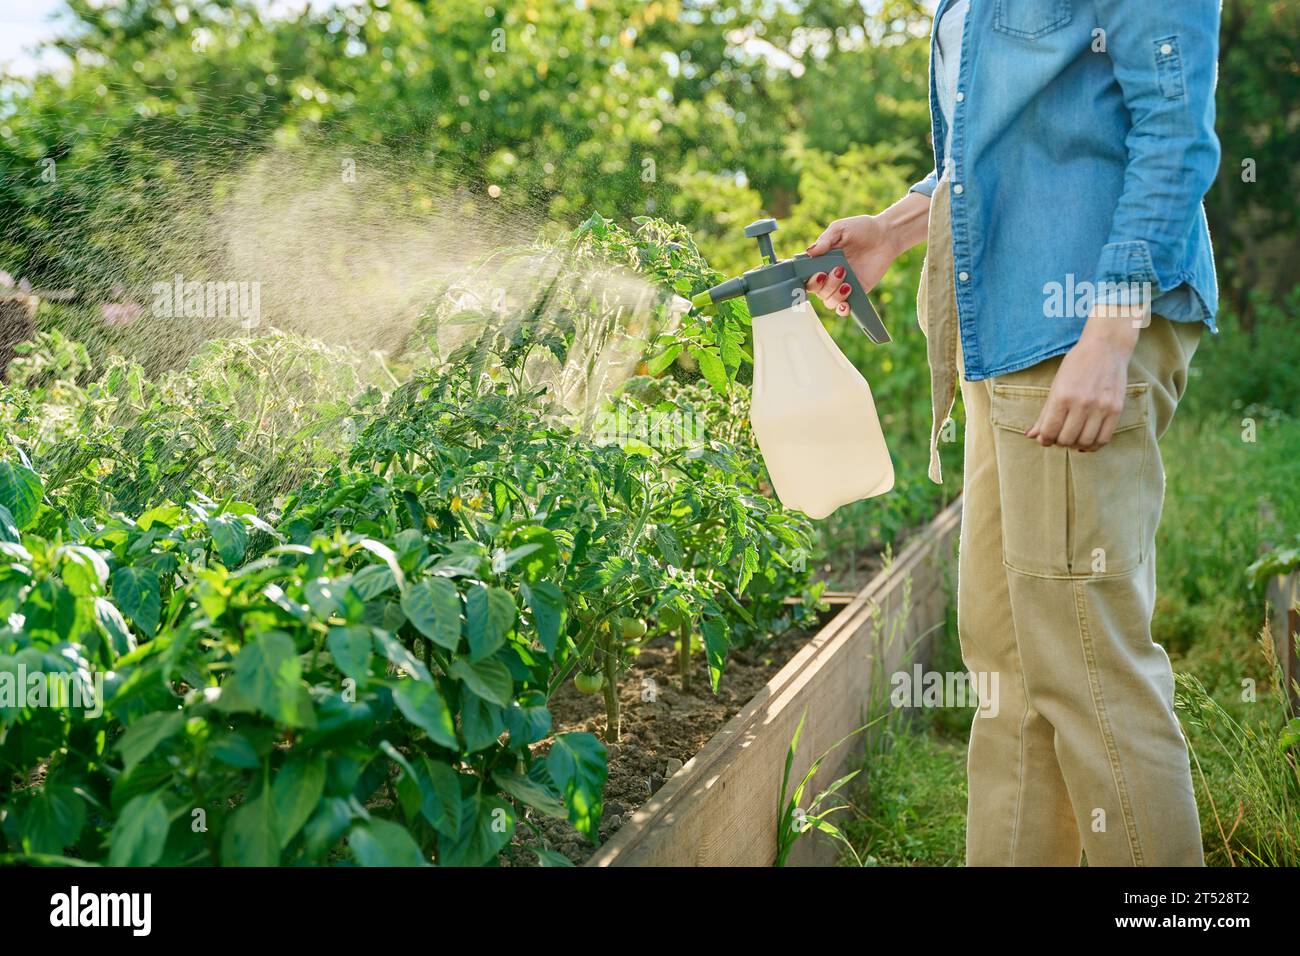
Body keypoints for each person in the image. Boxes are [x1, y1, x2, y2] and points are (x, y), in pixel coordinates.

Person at [804, 1, 1221, 866]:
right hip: (1006, 333)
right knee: (1007, 666)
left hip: (1077, 333)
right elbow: (1009, 135)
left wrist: (1109, 333)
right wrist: (896, 225)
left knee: (1087, 666)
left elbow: (1176, 127)